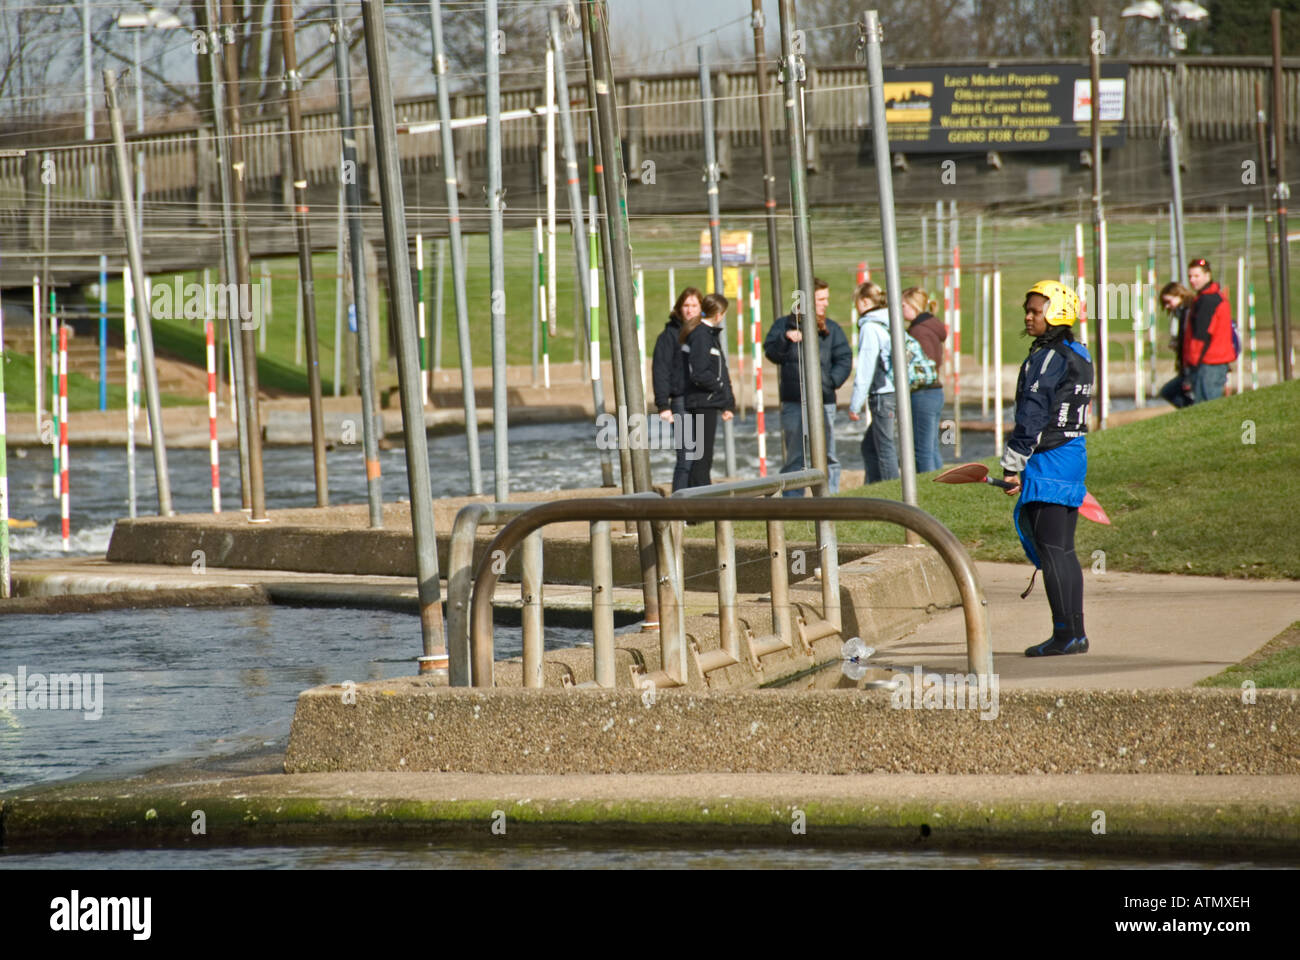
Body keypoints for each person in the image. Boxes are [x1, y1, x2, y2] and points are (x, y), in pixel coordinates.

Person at [1001, 280, 1094, 658]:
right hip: (1073, 454)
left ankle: (1064, 635)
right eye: (1027, 310)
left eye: (1035, 311)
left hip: (1050, 459)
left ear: (1055, 313)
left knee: (1053, 551)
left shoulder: (1048, 357)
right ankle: (1076, 633)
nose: (1028, 317)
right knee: (1064, 551)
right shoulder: (1079, 351)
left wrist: (1012, 466)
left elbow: (1033, 413)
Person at [762, 278, 852, 496]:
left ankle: (830, 497)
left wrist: (830, 382)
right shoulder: (784, 325)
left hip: (824, 401)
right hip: (794, 401)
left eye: (826, 298)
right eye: (821, 299)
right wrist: (785, 339)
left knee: (828, 454)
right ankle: (793, 501)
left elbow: (844, 358)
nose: (826, 303)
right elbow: (771, 353)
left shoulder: (832, 329)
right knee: (795, 455)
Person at [681, 293, 736, 488]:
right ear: (719, 314)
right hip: (702, 402)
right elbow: (699, 373)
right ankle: (698, 500)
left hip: (709, 401)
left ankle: (698, 498)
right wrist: (720, 387)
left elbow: (720, 370)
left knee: (704, 456)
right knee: (702, 457)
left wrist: (728, 403)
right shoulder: (702, 336)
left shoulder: (709, 335)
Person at [847, 282, 899, 483]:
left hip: (883, 393)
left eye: (856, 302)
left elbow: (865, 369)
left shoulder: (870, 327)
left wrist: (855, 404)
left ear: (865, 302)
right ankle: (874, 486)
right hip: (896, 390)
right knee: (869, 446)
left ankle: (891, 488)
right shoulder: (891, 320)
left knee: (884, 446)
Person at [653, 287, 703, 490]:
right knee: (686, 456)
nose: (690, 310)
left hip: (703, 401)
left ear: (701, 308)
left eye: (694, 305)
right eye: (686, 305)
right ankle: (680, 503)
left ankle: (699, 502)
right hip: (681, 401)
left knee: (701, 458)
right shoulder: (668, 336)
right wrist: (663, 405)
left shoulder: (705, 333)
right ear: (679, 308)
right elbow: (660, 370)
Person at [902, 286, 947, 473]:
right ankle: (938, 482)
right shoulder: (930, 327)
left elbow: (925, 362)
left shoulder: (918, 332)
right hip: (934, 392)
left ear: (914, 306)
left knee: (922, 450)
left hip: (923, 392)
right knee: (931, 447)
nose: (900, 310)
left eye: (903, 305)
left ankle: (927, 482)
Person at [1181, 258, 1235, 403]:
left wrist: (1192, 362)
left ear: (1207, 276)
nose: (1192, 280)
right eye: (1190, 276)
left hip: (1209, 362)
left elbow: (1202, 335)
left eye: (1196, 276)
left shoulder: (1208, 300)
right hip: (1212, 361)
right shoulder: (1209, 297)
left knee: (1206, 405)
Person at [1156, 281, 1195, 409]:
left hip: (1193, 364)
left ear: (1180, 295)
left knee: (1169, 391)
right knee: (1169, 392)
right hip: (1186, 365)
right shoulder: (1180, 314)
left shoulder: (1189, 312)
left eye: (1169, 301)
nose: (1167, 306)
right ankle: (1191, 411)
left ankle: (1192, 411)